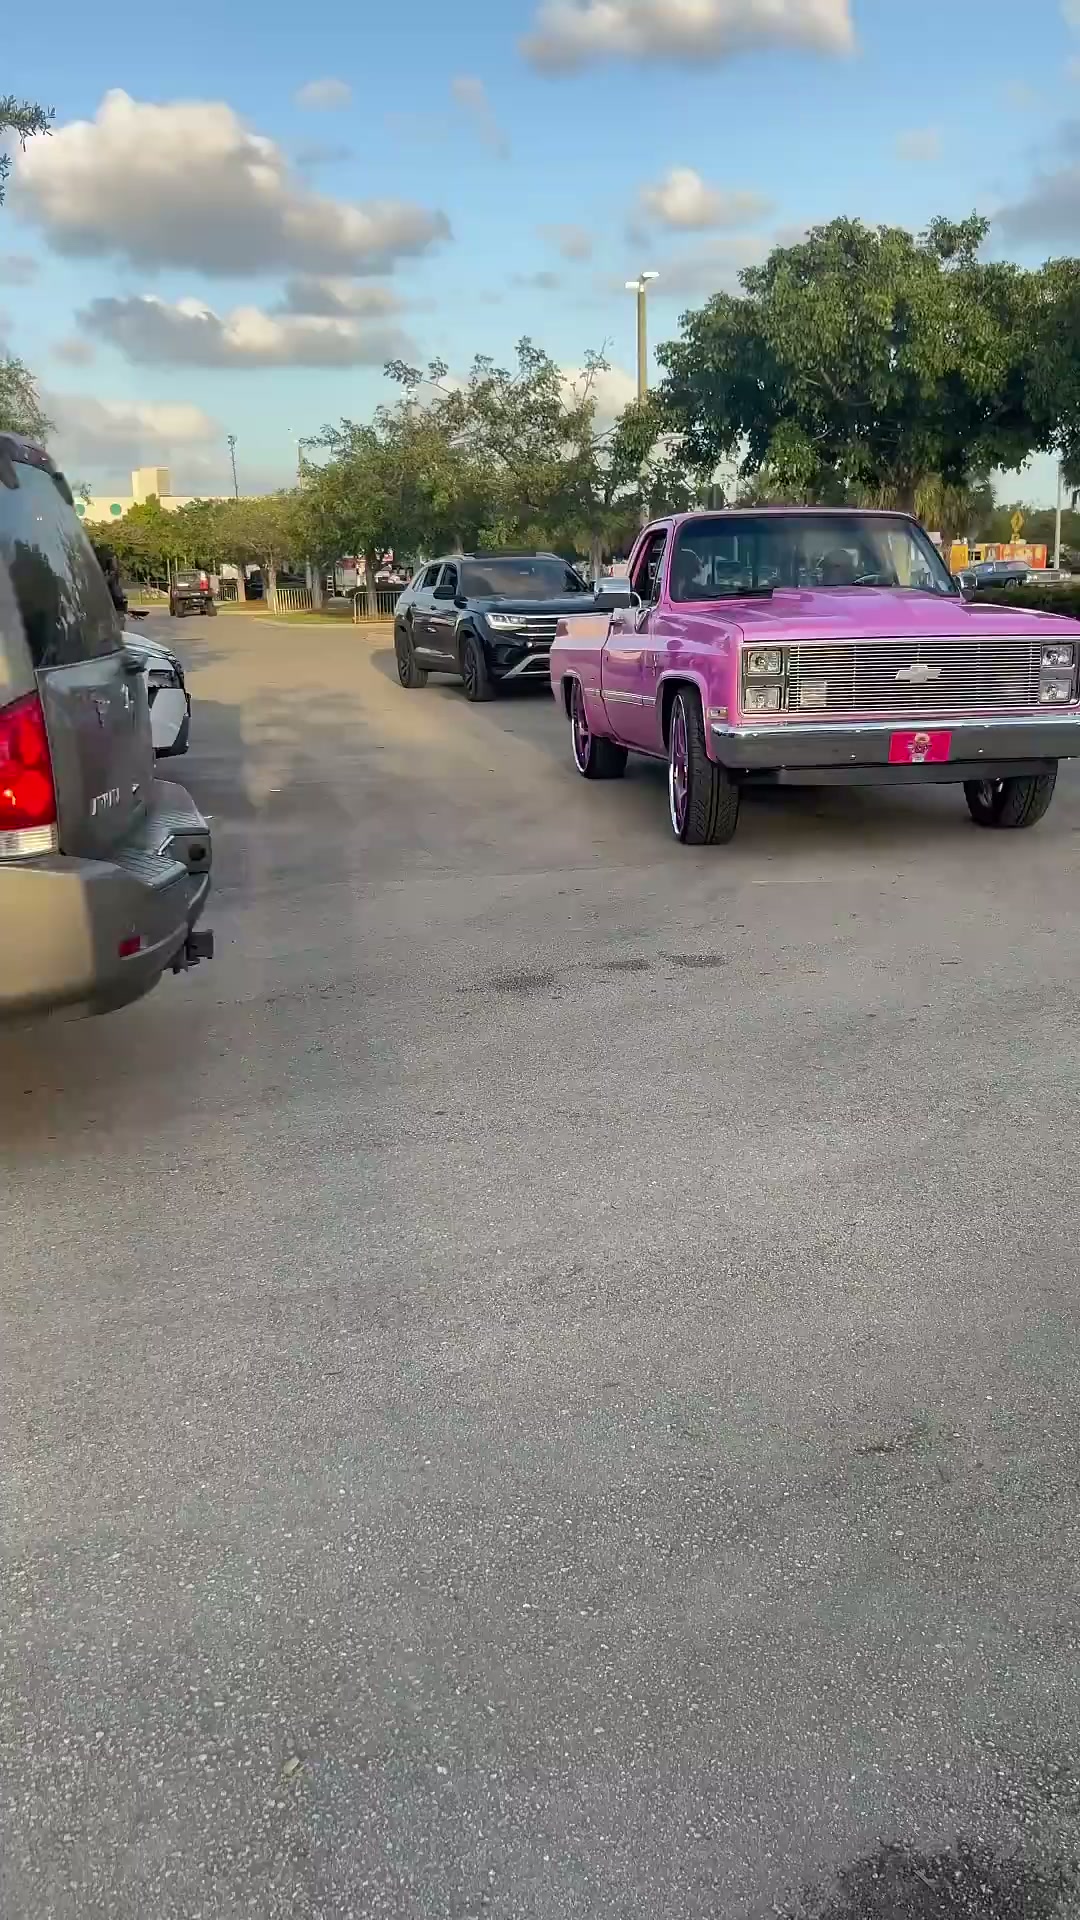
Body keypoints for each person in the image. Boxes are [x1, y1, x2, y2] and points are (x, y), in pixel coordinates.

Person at [92, 541, 128, 616]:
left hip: (109, 580)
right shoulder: (104, 555)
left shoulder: (108, 556)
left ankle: (119, 606)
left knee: (115, 590)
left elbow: (114, 571)